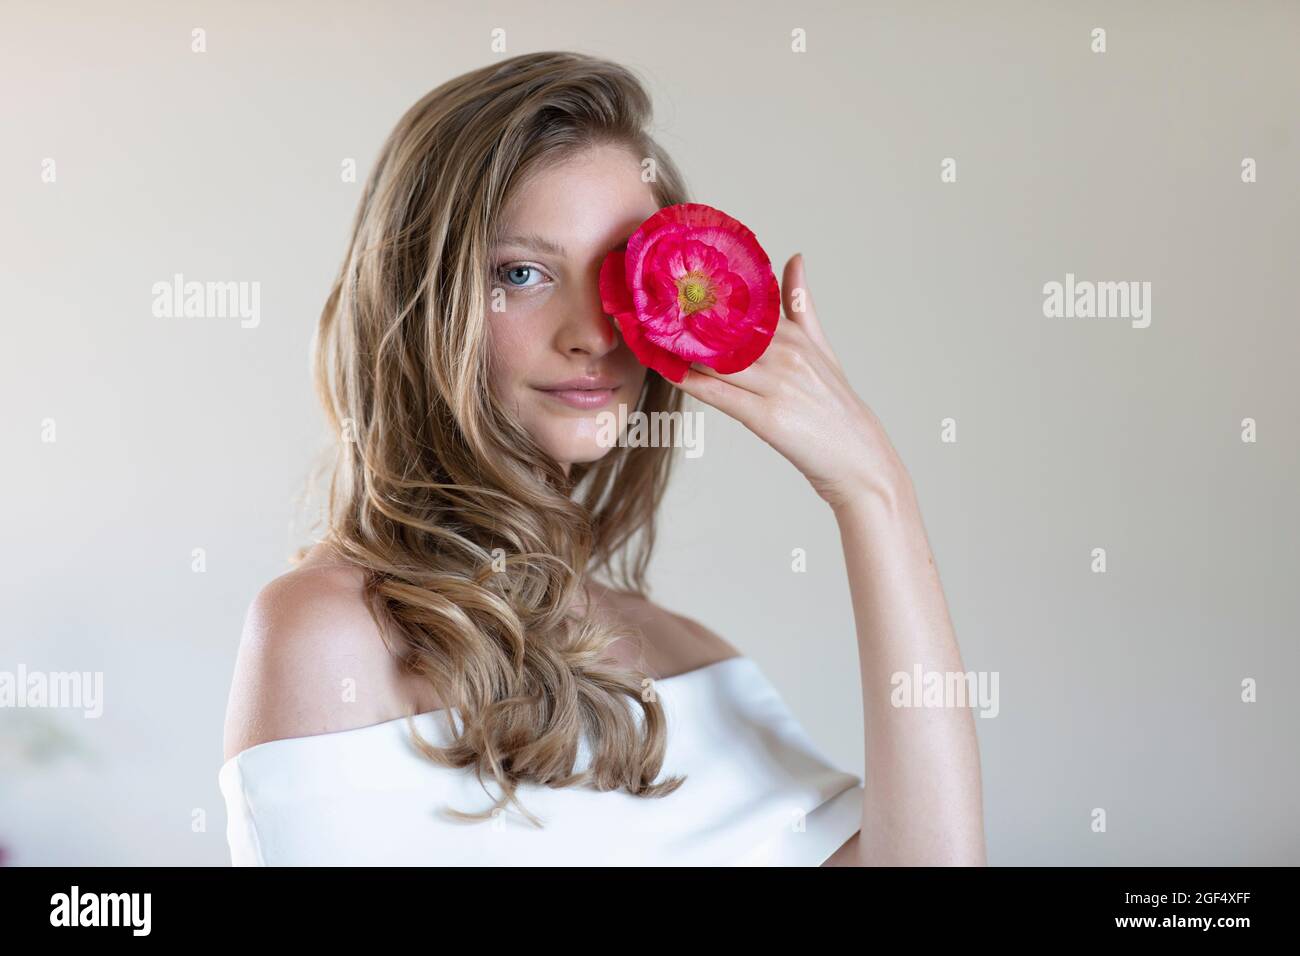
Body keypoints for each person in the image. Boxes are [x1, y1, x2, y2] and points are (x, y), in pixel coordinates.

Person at [219, 51, 986, 866]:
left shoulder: (689, 658)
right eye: (523, 272)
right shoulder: (330, 634)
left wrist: (874, 491)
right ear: (420, 299)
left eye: (622, 273)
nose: (593, 331)